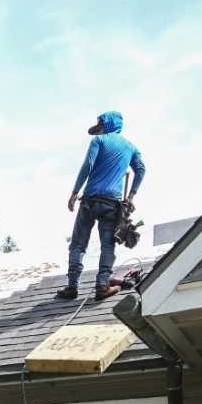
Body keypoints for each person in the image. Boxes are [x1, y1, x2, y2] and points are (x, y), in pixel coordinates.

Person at [62, 110, 145, 302]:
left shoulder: (98, 141)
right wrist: (131, 196)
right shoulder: (130, 147)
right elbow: (141, 170)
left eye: (100, 125)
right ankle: (102, 285)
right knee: (107, 245)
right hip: (112, 204)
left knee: (78, 244)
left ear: (107, 124)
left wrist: (75, 192)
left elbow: (88, 165)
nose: (98, 130)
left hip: (90, 200)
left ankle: (72, 286)